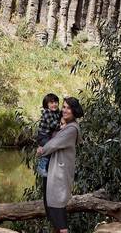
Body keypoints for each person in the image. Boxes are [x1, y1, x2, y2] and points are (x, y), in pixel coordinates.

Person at [38, 96, 83, 233]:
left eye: (68, 108)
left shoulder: (71, 129)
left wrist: (41, 150)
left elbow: (53, 144)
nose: (64, 110)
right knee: (52, 214)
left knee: (59, 216)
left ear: (74, 110)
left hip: (58, 175)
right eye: (63, 107)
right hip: (53, 172)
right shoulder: (64, 125)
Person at [36, 93, 61, 177]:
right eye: (51, 103)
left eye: (56, 102)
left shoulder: (56, 112)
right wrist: (62, 126)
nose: (54, 104)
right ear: (46, 105)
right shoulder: (47, 112)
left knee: (51, 149)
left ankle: (47, 167)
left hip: (47, 135)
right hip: (43, 136)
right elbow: (53, 125)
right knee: (50, 148)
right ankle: (41, 166)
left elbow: (61, 116)